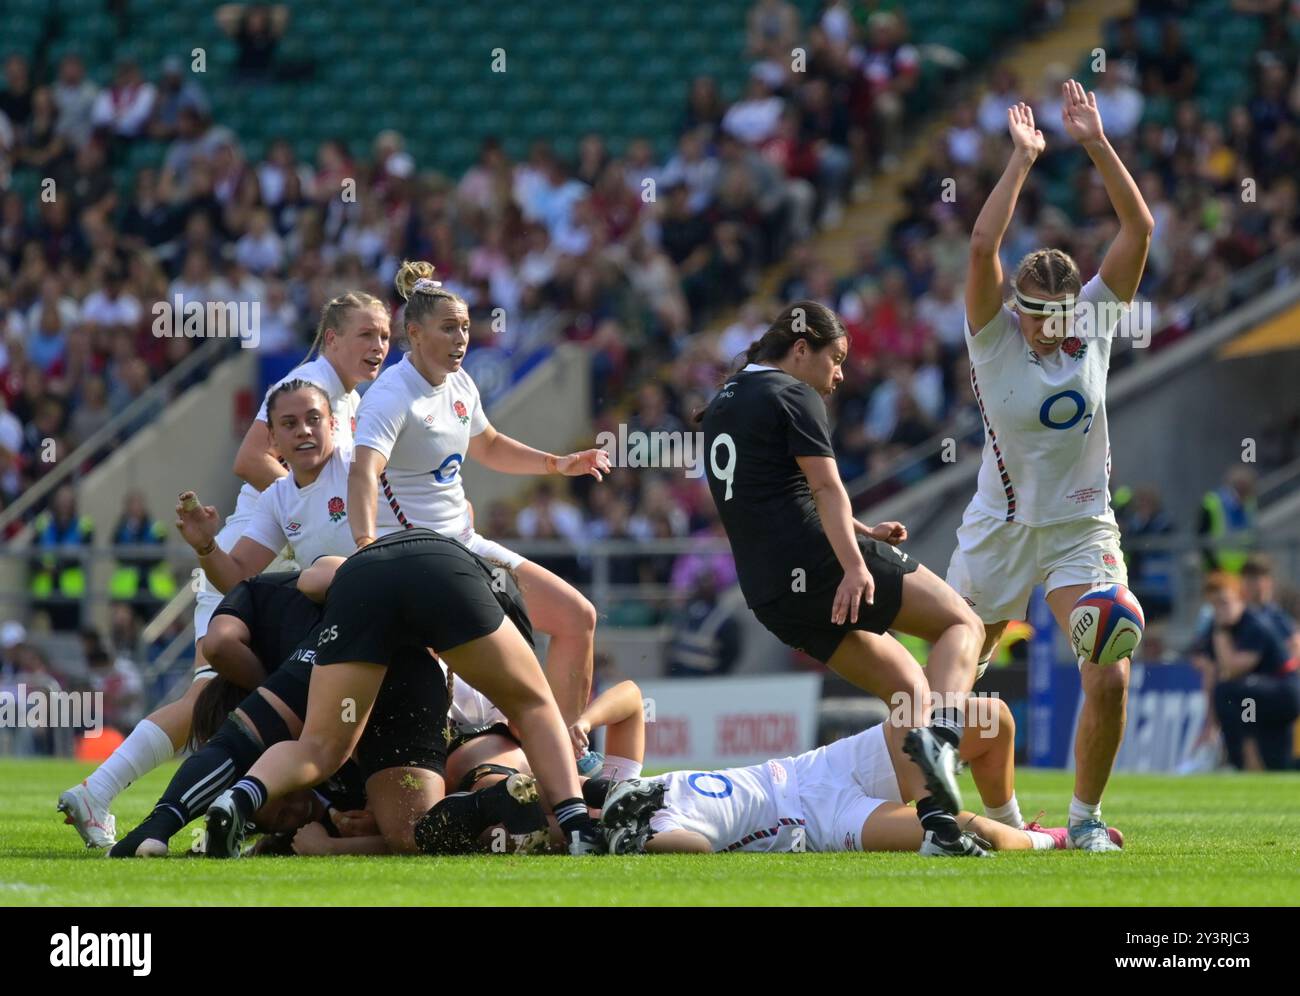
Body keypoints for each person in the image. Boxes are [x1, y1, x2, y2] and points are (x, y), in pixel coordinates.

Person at [57, 293, 389, 848]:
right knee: (214, 698)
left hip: (273, 563)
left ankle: (217, 818)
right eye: (365, 334)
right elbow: (252, 459)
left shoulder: (347, 398)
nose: (378, 346)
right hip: (255, 561)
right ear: (331, 339)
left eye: (384, 335)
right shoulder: (312, 385)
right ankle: (105, 790)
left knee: (244, 702)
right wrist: (302, 513)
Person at [944, 82, 1154, 851]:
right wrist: (1024, 159)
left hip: (1078, 527)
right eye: (1037, 314)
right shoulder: (992, 336)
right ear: (1017, 309)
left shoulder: (1095, 320)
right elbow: (980, 248)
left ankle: (1085, 823)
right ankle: (979, 818)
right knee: (947, 685)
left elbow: (1140, 226)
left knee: (1110, 666)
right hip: (998, 529)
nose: (1049, 328)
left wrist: (1096, 143)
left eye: (1059, 315)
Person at [700, 300, 987, 855]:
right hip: (822, 561)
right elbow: (825, 488)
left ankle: (937, 828)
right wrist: (856, 562)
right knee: (961, 624)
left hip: (768, 592)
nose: (838, 376)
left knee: (907, 687)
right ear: (801, 349)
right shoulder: (793, 392)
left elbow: (775, 493)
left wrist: (863, 529)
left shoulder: (722, 402)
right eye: (835, 359)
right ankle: (943, 739)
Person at [201, 529, 606, 856]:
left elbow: (313, 581)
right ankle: (577, 827)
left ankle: (239, 798)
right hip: (441, 571)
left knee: (320, 747)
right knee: (535, 704)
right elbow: (530, 715)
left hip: (361, 581)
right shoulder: (496, 599)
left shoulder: (363, 560)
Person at [347, 261, 609, 722]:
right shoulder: (391, 395)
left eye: (466, 328)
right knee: (496, 693)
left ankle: (560, 761)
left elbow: (487, 444)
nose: (461, 339)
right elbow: (364, 472)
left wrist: (557, 464)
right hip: (419, 560)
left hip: (466, 546)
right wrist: (366, 547)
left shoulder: (461, 382)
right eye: (449, 328)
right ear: (414, 333)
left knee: (577, 618)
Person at [599, 695, 1119, 855]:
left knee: (993, 718)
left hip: (817, 767)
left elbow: (628, 699)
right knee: (964, 833)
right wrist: (632, 842)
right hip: (814, 818)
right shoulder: (653, 829)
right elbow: (698, 853)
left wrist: (582, 725)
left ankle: (1018, 822)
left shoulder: (617, 785)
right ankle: (1055, 842)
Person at [1191, 572, 1299, 771]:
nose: (1220, 610)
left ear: (1240, 598)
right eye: (1214, 605)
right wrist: (1210, 723)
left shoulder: (1253, 625)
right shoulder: (1223, 627)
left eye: (1224, 602)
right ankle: (1252, 759)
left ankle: (1243, 758)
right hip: (1260, 697)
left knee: (1232, 692)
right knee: (1276, 763)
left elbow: (1232, 669)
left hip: (1285, 691)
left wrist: (1220, 633)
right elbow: (1207, 668)